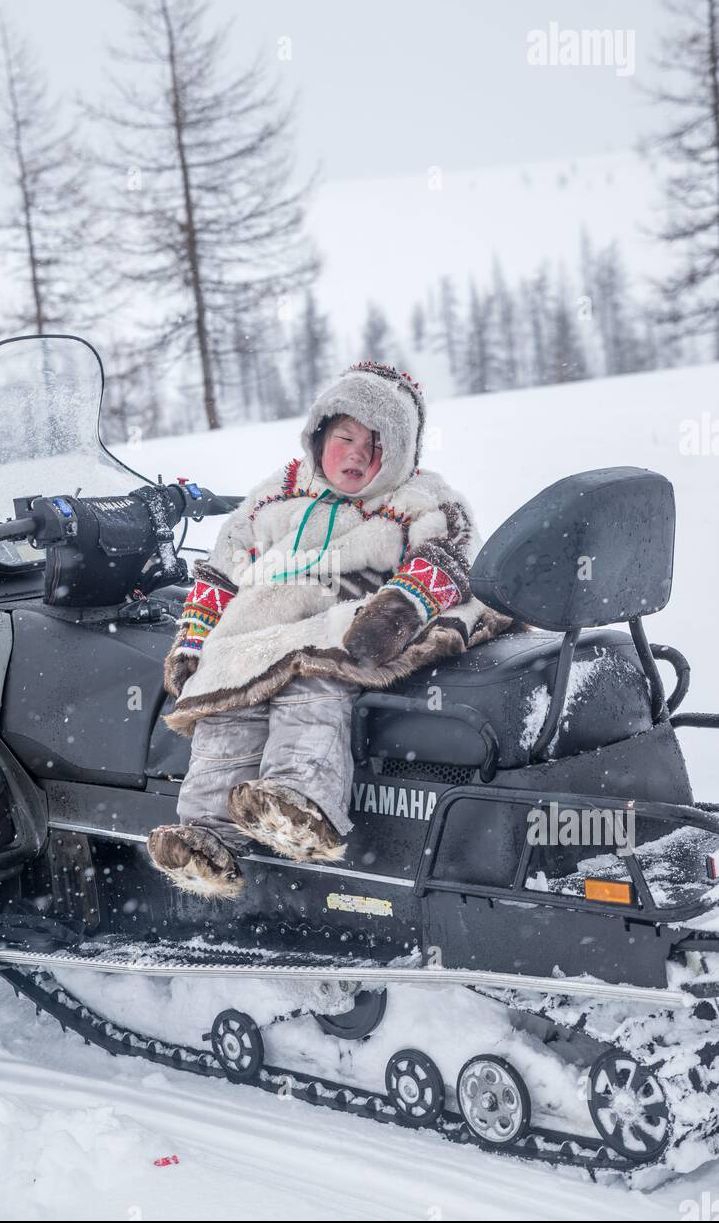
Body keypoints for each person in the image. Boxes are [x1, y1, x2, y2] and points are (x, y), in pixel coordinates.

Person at [147, 360, 513, 898]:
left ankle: (299, 805)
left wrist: (396, 611)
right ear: (319, 435)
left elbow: (448, 555)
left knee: (310, 685)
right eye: (345, 436)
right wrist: (194, 641)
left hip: (342, 623)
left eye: (378, 443)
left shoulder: (419, 497)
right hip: (256, 631)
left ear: (405, 452)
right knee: (223, 707)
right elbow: (221, 570)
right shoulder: (275, 493)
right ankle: (206, 840)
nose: (358, 454)